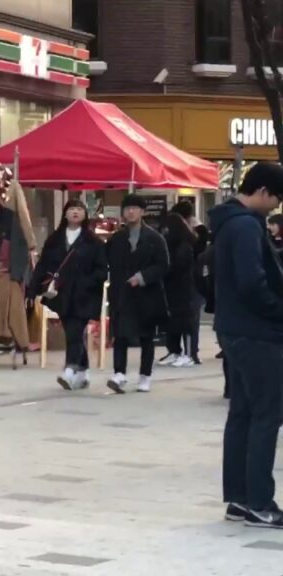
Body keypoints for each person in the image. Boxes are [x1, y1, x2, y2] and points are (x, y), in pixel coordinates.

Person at [210, 162, 283, 528]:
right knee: (267, 414)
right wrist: (278, 311)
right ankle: (259, 502)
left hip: (234, 329)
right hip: (257, 332)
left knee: (242, 412)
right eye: (277, 198)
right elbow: (253, 283)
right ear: (263, 191)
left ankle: (239, 498)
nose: (276, 206)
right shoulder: (245, 226)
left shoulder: (228, 222)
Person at [28, 199, 108, 391]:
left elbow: (101, 270)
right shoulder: (54, 239)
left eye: (79, 209)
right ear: (65, 213)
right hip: (61, 294)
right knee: (73, 332)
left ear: (85, 214)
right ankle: (83, 371)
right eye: (71, 209)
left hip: (84, 295)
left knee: (75, 331)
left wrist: (87, 282)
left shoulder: (93, 241)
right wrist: (33, 289)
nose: (75, 212)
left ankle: (70, 370)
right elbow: (43, 265)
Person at [105, 194, 169, 394]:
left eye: (135, 208)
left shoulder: (155, 238)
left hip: (146, 294)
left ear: (142, 212)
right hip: (121, 293)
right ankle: (119, 373)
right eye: (127, 208)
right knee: (120, 335)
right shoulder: (116, 238)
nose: (131, 212)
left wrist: (142, 277)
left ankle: (145, 375)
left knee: (146, 337)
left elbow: (163, 265)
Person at [159, 212, 198, 368]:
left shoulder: (184, 246)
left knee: (185, 321)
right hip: (171, 288)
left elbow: (178, 267)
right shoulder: (170, 244)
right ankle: (174, 350)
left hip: (183, 288)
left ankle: (189, 354)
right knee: (173, 321)